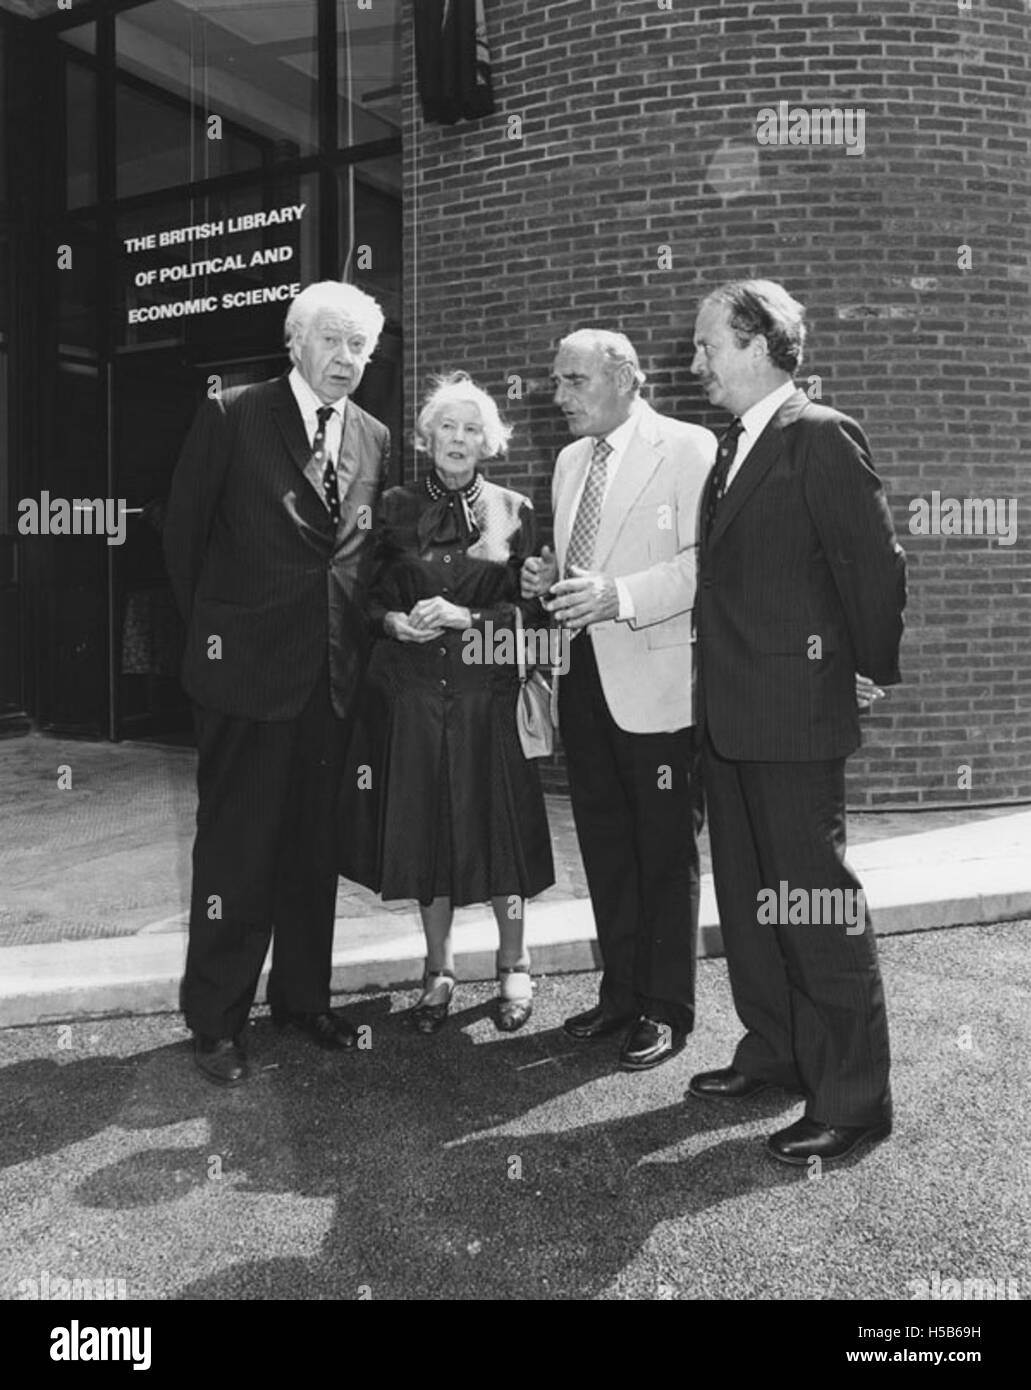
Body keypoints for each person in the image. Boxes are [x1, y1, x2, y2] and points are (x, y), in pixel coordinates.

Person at [687, 279, 907, 1165]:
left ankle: (853, 1100)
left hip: (791, 719)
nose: (694, 360)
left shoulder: (819, 435)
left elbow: (874, 566)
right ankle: (776, 1052)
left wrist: (864, 668)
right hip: (731, 719)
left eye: (706, 345)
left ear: (757, 342)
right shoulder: (729, 445)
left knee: (814, 908)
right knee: (748, 906)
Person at [163, 281, 391, 1086]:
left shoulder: (372, 435)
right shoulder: (234, 413)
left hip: (331, 684)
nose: (345, 359)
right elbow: (183, 537)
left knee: (311, 851)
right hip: (244, 679)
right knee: (236, 852)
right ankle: (217, 1020)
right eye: (331, 340)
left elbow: (362, 560)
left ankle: (303, 999)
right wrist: (219, 645)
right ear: (294, 342)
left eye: (359, 346)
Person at [522, 330, 716, 1071]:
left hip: (660, 688)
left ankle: (666, 1009)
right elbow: (584, 566)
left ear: (626, 379)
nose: (559, 396)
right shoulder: (571, 461)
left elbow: (705, 562)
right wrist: (551, 584)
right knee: (604, 845)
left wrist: (619, 596)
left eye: (573, 381)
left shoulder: (689, 447)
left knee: (663, 852)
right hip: (585, 684)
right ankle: (620, 994)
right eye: (556, 382)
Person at [339, 372, 554, 1032]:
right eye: (447, 427)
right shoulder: (393, 507)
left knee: (501, 840)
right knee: (426, 836)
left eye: (471, 429)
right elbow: (365, 599)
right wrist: (390, 624)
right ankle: (437, 971)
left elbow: (537, 613)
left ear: (488, 442)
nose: (458, 439)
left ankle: (514, 967)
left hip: (485, 700)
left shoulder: (516, 511)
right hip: (411, 702)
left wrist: (470, 617)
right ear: (426, 435)